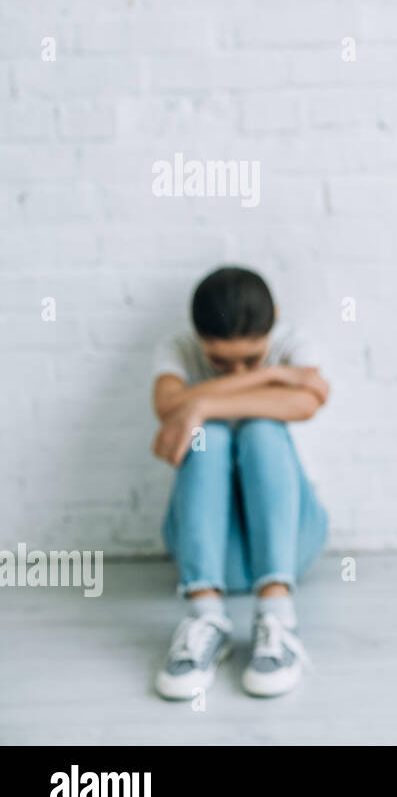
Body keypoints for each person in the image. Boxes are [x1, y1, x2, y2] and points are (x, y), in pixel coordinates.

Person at [149, 265, 330, 701]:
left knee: (261, 430)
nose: (236, 370)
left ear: (275, 322)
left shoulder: (289, 340)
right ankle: (205, 617)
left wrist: (201, 403)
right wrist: (269, 375)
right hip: (208, 555)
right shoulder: (179, 348)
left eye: (252, 359)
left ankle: (277, 615)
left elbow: (310, 399)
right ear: (197, 337)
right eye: (220, 362)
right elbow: (167, 405)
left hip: (286, 547)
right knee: (206, 437)